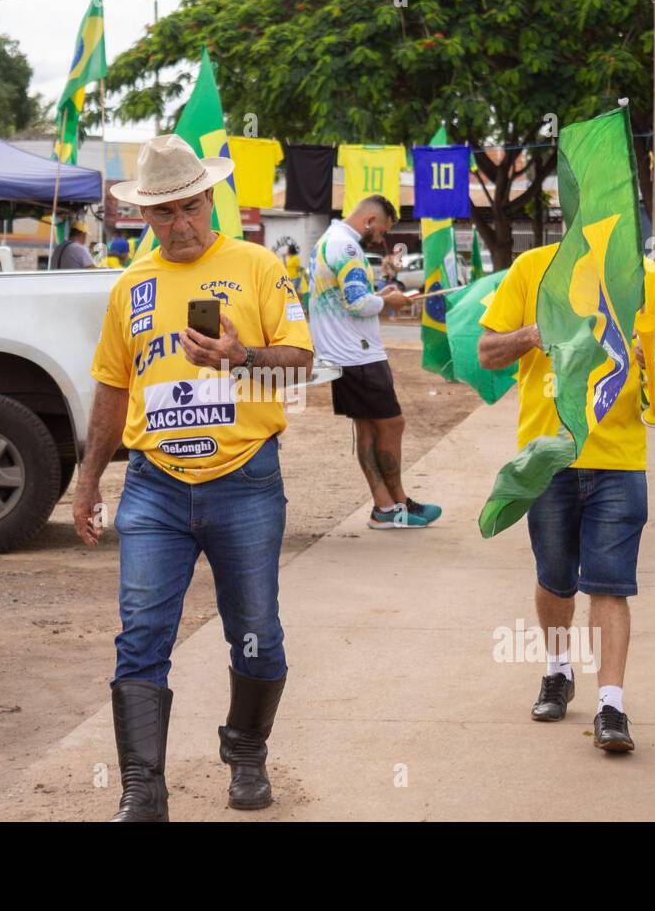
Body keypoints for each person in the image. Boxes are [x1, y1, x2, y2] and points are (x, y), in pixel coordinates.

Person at [74, 135, 315, 822]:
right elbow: (111, 388)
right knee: (142, 634)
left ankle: (245, 749)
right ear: (143, 216)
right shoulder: (130, 285)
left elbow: (300, 361)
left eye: (190, 207)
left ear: (210, 199)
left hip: (245, 481)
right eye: (164, 214)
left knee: (256, 632)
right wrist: (89, 482)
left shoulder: (258, 266)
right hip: (153, 487)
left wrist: (242, 357)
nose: (180, 224)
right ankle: (142, 792)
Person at [477, 246, 655, 752]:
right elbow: (487, 351)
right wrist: (533, 333)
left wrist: (650, 353)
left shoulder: (649, 278)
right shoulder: (532, 268)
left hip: (620, 460)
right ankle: (557, 670)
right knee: (555, 578)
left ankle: (610, 705)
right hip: (548, 456)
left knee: (610, 585)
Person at [306, 195, 442, 528]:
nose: (382, 238)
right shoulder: (349, 249)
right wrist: (388, 303)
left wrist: (379, 297)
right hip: (358, 353)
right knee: (391, 424)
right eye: (382, 230)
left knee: (368, 427)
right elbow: (356, 304)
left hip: (341, 351)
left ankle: (390, 505)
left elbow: (346, 299)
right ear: (369, 221)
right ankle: (393, 503)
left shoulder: (328, 241)